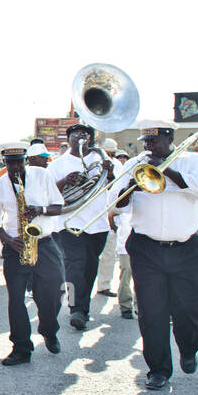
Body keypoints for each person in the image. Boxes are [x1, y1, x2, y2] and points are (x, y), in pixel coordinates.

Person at [108, 121, 198, 390]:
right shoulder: (135, 164)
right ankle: (158, 369)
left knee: (189, 309)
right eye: (146, 142)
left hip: (184, 248)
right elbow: (113, 204)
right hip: (146, 249)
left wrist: (169, 172)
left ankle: (188, 348)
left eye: (153, 142)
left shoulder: (193, 161)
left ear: (169, 138)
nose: (148, 147)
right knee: (151, 313)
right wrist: (132, 186)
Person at [0, 143, 66, 366]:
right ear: (5, 163)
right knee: (16, 300)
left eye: (19, 162)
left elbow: (59, 205)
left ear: (25, 160)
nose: (16, 167)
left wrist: (41, 210)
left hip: (45, 242)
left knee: (53, 294)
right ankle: (21, 348)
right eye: (11, 163)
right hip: (16, 247)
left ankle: (49, 329)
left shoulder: (42, 175)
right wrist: (9, 240)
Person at [49, 123, 119, 331]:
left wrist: (110, 173)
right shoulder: (58, 164)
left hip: (97, 223)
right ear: (69, 139)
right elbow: (49, 193)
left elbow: (114, 187)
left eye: (86, 134)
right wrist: (66, 181)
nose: (81, 137)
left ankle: (83, 308)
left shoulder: (102, 160)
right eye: (77, 134)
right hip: (69, 223)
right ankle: (76, 310)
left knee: (90, 267)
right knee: (75, 265)